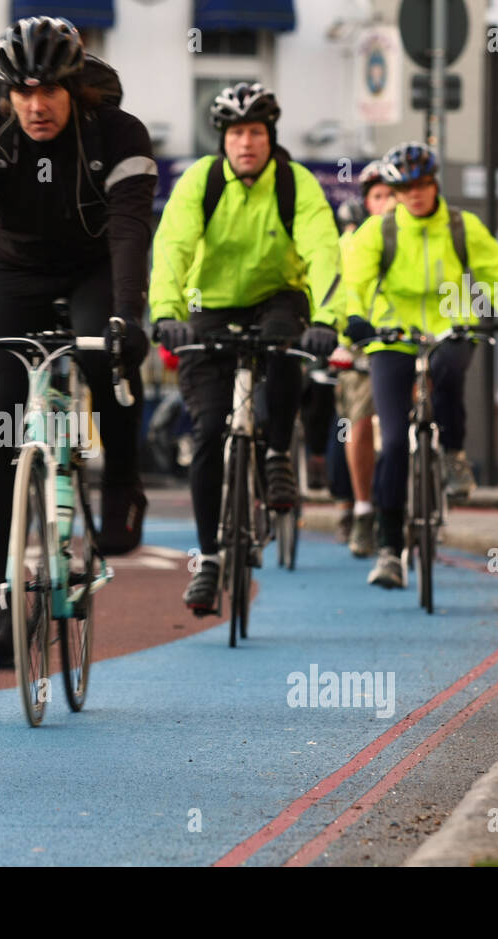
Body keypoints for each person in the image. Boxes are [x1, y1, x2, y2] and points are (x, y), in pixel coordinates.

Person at [0, 16, 155, 667]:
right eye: (21, 92)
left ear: (72, 86)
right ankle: (4, 602)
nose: (35, 105)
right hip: (16, 273)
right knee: (1, 420)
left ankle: (123, 481)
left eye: (48, 90)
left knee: (101, 354)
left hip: (94, 267)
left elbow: (131, 231)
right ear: (6, 93)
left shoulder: (117, 133)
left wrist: (126, 316)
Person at [343, 142, 498, 589]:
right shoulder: (379, 231)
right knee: (392, 443)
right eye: (405, 187)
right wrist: (355, 322)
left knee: (450, 372)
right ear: (395, 191)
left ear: (435, 185)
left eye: (423, 185)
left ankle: (452, 455)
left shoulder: (461, 227)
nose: (415, 194)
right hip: (393, 339)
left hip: (451, 329)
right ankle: (390, 550)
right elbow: (354, 282)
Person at [148, 81, 342, 613]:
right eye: (236, 133)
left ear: (270, 137)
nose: (246, 142)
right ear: (223, 140)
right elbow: (172, 247)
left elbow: (324, 250)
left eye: (256, 131)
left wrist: (326, 320)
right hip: (208, 307)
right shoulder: (200, 182)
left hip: (276, 297)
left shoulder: (295, 184)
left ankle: (277, 452)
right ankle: (209, 559)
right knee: (209, 432)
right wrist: (165, 314)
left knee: (286, 346)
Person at [335, 160, 396, 557]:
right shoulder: (352, 243)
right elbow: (339, 293)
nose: (389, 203)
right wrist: (342, 338)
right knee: (358, 422)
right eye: (379, 196)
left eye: (394, 195)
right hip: (360, 344)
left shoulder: (426, 237)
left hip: (408, 339)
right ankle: (362, 508)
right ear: (366, 203)